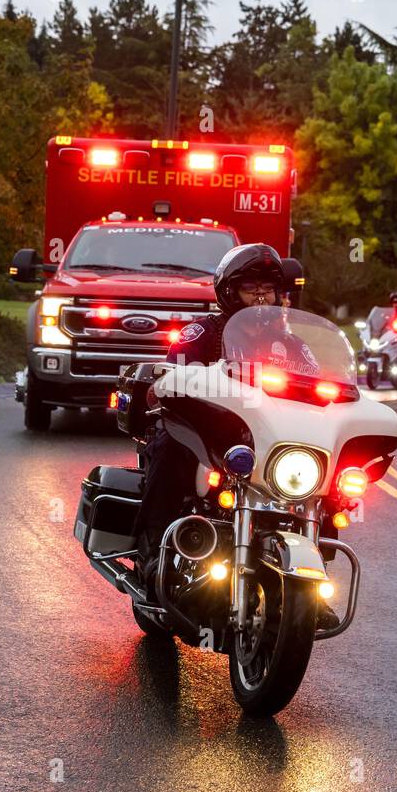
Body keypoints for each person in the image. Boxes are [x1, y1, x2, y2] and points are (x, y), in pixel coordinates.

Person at [131, 244, 287, 570]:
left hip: (270, 437)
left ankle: (310, 570)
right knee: (170, 442)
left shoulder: (292, 343)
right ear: (230, 292)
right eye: (250, 289)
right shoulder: (202, 333)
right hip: (207, 433)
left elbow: (322, 380)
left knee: (325, 477)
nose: (261, 297)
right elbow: (171, 381)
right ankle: (152, 551)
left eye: (268, 289)